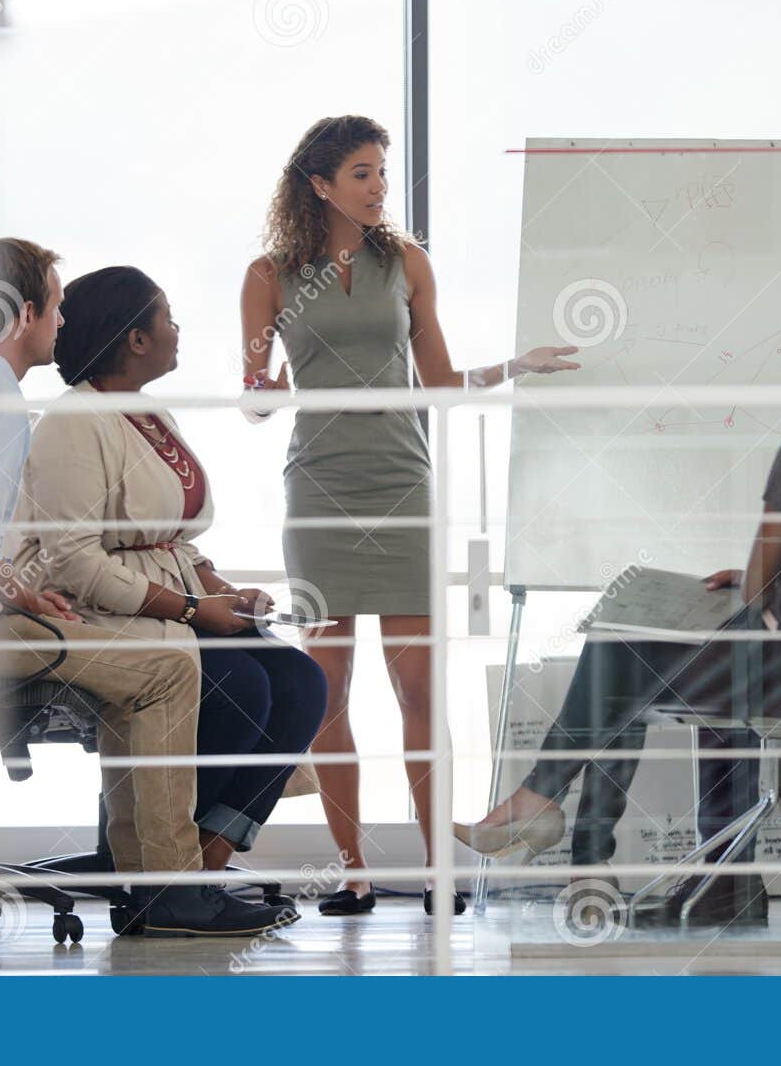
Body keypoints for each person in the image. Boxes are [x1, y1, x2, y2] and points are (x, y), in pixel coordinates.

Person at [452, 279, 781, 926]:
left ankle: (559, 812)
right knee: (640, 657)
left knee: (619, 648)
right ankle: (687, 872)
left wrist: (756, 578)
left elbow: (763, 590)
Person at [0, 238, 294, 938]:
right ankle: (166, 889)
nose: (65, 324)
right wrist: (21, 592)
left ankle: (155, 877)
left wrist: (20, 588)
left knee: (174, 646)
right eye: (58, 306)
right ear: (25, 313)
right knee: (168, 661)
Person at [239, 114, 580, 916]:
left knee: (420, 688)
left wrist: (515, 367)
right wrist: (268, 391)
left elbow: (439, 381)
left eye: (383, 174)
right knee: (328, 692)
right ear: (319, 183)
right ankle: (353, 871)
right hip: (318, 489)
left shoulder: (406, 263)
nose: (379, 188)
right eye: (362, 173)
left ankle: (438, 870)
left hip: (402, 484)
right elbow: (254, 400)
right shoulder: (269, 275)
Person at [13, 265, 328, 880]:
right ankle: (170, 871)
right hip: (103, 612)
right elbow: (76, 563)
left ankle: (204, 860)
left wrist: (221, 591)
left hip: (173, 599)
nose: (177, 331)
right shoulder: (71, 424)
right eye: (168, 319)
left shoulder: (148, 414)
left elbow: (173, 534)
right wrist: (190, 610)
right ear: (135, 339)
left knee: (299, 681)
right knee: (239, 684)